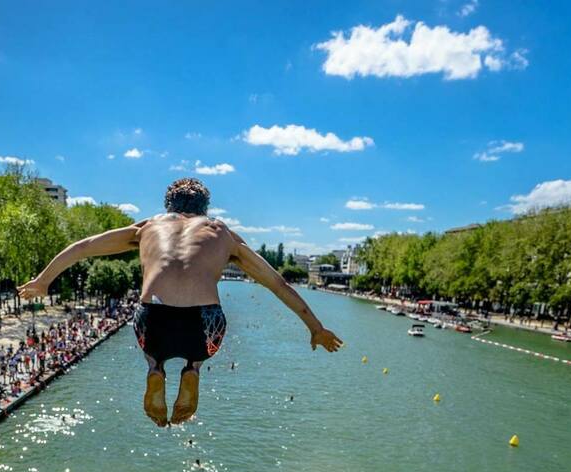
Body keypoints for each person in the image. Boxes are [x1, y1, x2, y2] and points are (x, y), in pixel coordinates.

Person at [19, 178, 342, 426]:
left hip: (153, 322)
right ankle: (194, 369)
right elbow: (277, 283)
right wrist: (316, 328)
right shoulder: (223, 234)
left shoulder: (147, 227)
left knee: (151, 341)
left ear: (168, 206)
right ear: (205, 209)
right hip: (204, 326)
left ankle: (155, 369)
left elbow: (83, 246)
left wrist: (43, 281)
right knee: (200, 346)